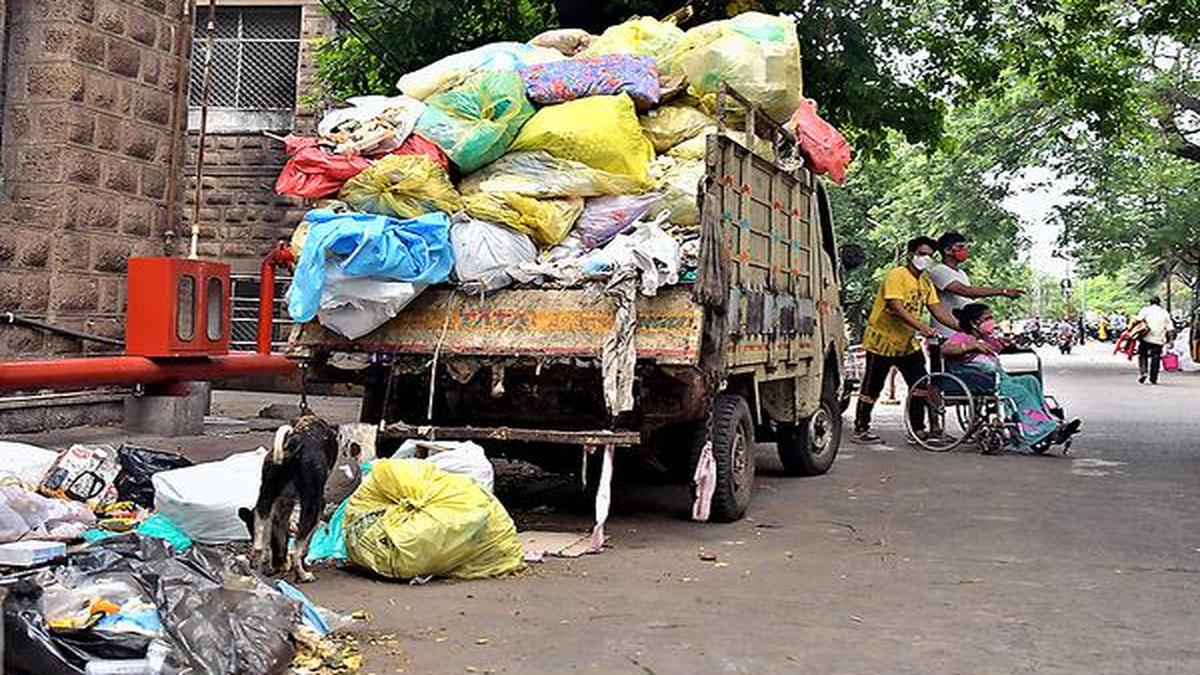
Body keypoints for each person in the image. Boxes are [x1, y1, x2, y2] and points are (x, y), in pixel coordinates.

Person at [853, 236, 961, 444]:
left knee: (921, 384)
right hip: (882, 341)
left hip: (907, 343)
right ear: (910, 255)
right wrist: (923, 328)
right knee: (872, 387)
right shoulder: (897, 275)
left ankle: (918, 430)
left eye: (930, 256)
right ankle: (861, 428)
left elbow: (938, 310)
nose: (926, 259)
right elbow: (896, 306)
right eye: (922, 254)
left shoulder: (925, 282)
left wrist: (963, 328)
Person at [942, 303, 1081, 452]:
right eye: (987, 318)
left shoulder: (986, 338)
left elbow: (998, 348)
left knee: (1031, 381)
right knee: (1018, 393)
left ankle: (1049, 423)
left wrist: (1006, 344)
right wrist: (971, 346)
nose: (991, 321)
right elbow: (945, 349)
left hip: (998, 378)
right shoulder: (963, 337)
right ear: (973, 323)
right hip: (981, 380)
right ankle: (1046, 430)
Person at [927, 232, 1024, 337]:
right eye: (960, 247)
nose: (965, 250)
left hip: (963, 332)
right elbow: (966, 291)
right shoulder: (939, 271)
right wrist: (1003, 291)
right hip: (947, 333)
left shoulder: (961, 273)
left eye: (966, 247)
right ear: (947, 250)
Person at [1135, 297, 1173, 384]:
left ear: (1150, 302)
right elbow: (1170, 328)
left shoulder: (1145, 310)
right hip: (1159, 339)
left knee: (1142, 355)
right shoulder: (1164, 313)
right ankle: (1153, 378)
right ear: (1159, 303)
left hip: (1145, 338)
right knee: (1155, 358)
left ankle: (1143, 372)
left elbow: (1138, 320)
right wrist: (1170, 341)